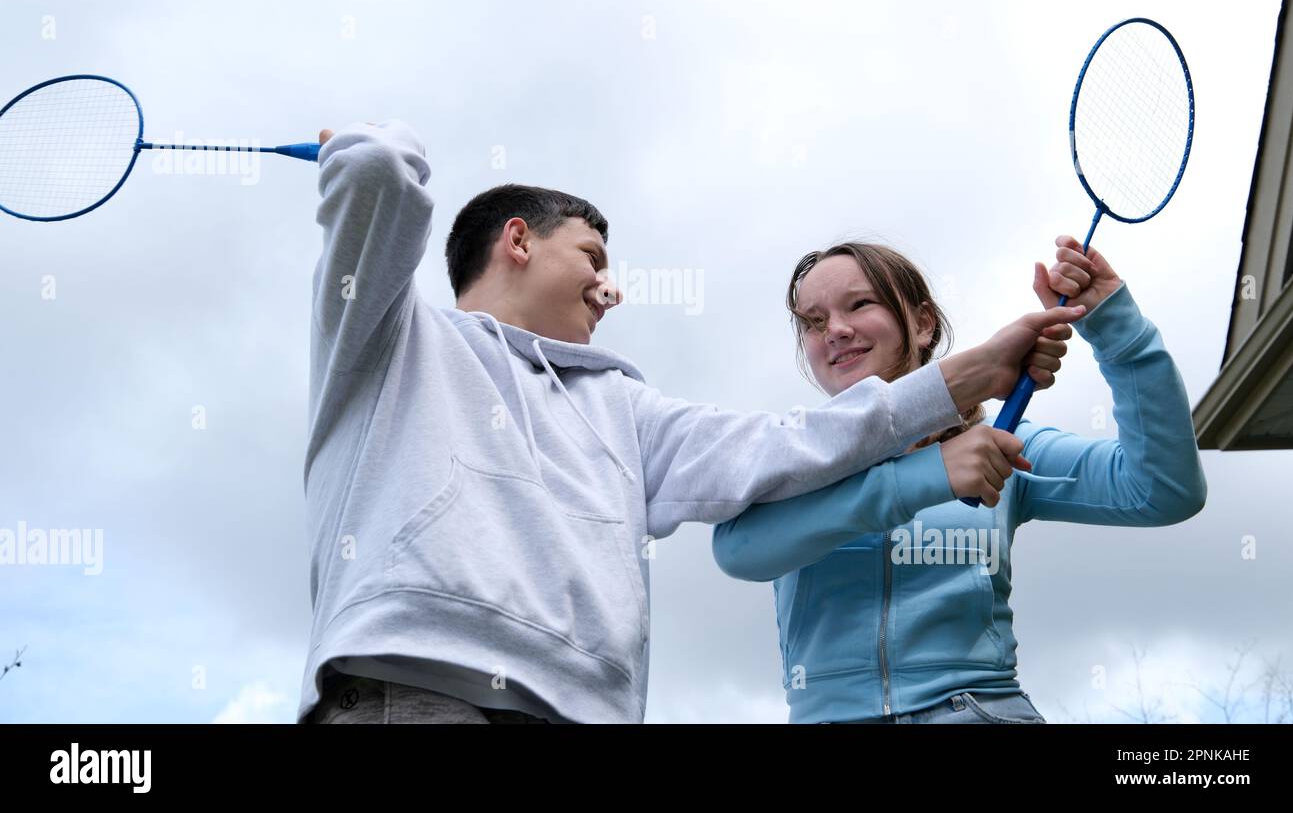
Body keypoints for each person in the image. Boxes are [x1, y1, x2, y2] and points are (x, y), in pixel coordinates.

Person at [299, 121, 1083, 724]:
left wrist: (963, 377)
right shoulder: (391, 344)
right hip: (413, 689)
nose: (610, 288)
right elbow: (377, 170)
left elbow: (783, 446)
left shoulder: (623, 407)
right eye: (594, 258)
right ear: (518, 242)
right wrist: (369, 145)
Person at [711, 237, 1207, 723]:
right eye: (814, 322)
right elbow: (740, 550)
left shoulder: (1003, 440)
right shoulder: (794, 452)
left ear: (923, 323)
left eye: (859, 304)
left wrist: (1117, 327)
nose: (835, 330)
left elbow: (1161, 490)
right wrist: (932, 474)